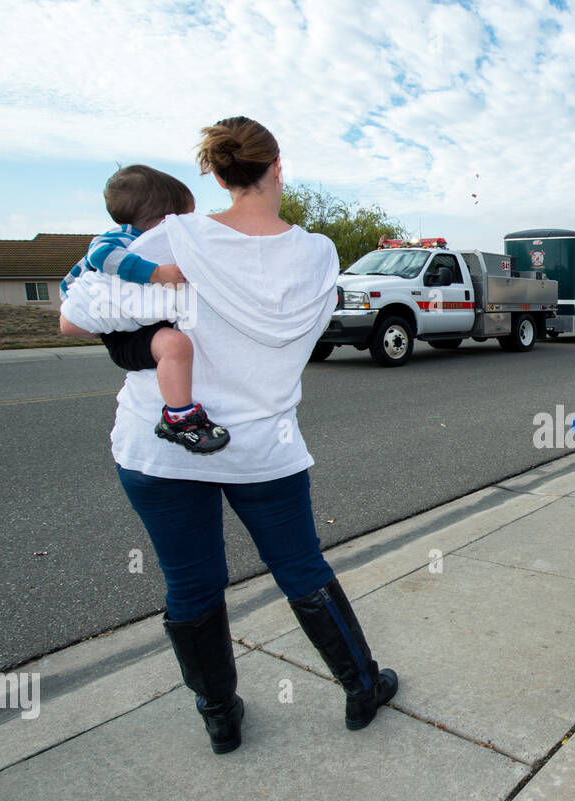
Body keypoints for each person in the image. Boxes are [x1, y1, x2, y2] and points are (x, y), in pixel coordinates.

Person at [60, 116, 397, 753]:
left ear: (216, 174)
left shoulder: (168, 240)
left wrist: (162, 315)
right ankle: (360, 685)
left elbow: (73, 317)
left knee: (190, 584)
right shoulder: (318, 253)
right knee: (301, 567)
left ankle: (220, 714)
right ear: (276, 167)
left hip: (157, 445)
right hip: (262, 449)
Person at [60, 165, 229, 453]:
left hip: (131, 325)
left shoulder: (146, 242)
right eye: (182, 218)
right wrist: (155, 274)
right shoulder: (121, 237)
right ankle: (179, 419)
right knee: (175, 346)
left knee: (177, 344)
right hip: (119, 333)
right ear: (164, 218)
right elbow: (101, 257)